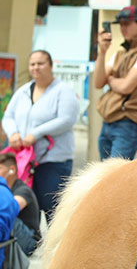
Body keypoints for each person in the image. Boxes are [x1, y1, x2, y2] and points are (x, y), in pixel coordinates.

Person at [1, 49, 79, 221]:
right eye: (32, 64)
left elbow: (67, 119)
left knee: (53, 211)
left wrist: (35, 134)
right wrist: (13, 133)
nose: (36, 67)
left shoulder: (63, 90)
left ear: (51, 66)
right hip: (25, 162)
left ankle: (56, 247)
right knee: (27, 209)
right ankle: (30, 245)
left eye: (41, 63)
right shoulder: (23, 91)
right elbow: (8, 116)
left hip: (53, 161)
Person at [94, 6, 137, 161]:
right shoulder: (121, 53)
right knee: (104, 177)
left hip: (128, 123)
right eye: (121, 24)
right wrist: (102, 52)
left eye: (127, 23)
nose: (123, 28)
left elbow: (126, 87)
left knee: (114, 177)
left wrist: (111, 79)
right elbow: (98, 82)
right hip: (109, 122)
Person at [0, 152, 41, 254]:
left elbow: (12, 209)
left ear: (12, 170)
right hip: (16, 236)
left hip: (29, 240)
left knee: (6, 215)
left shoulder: (23, 190)